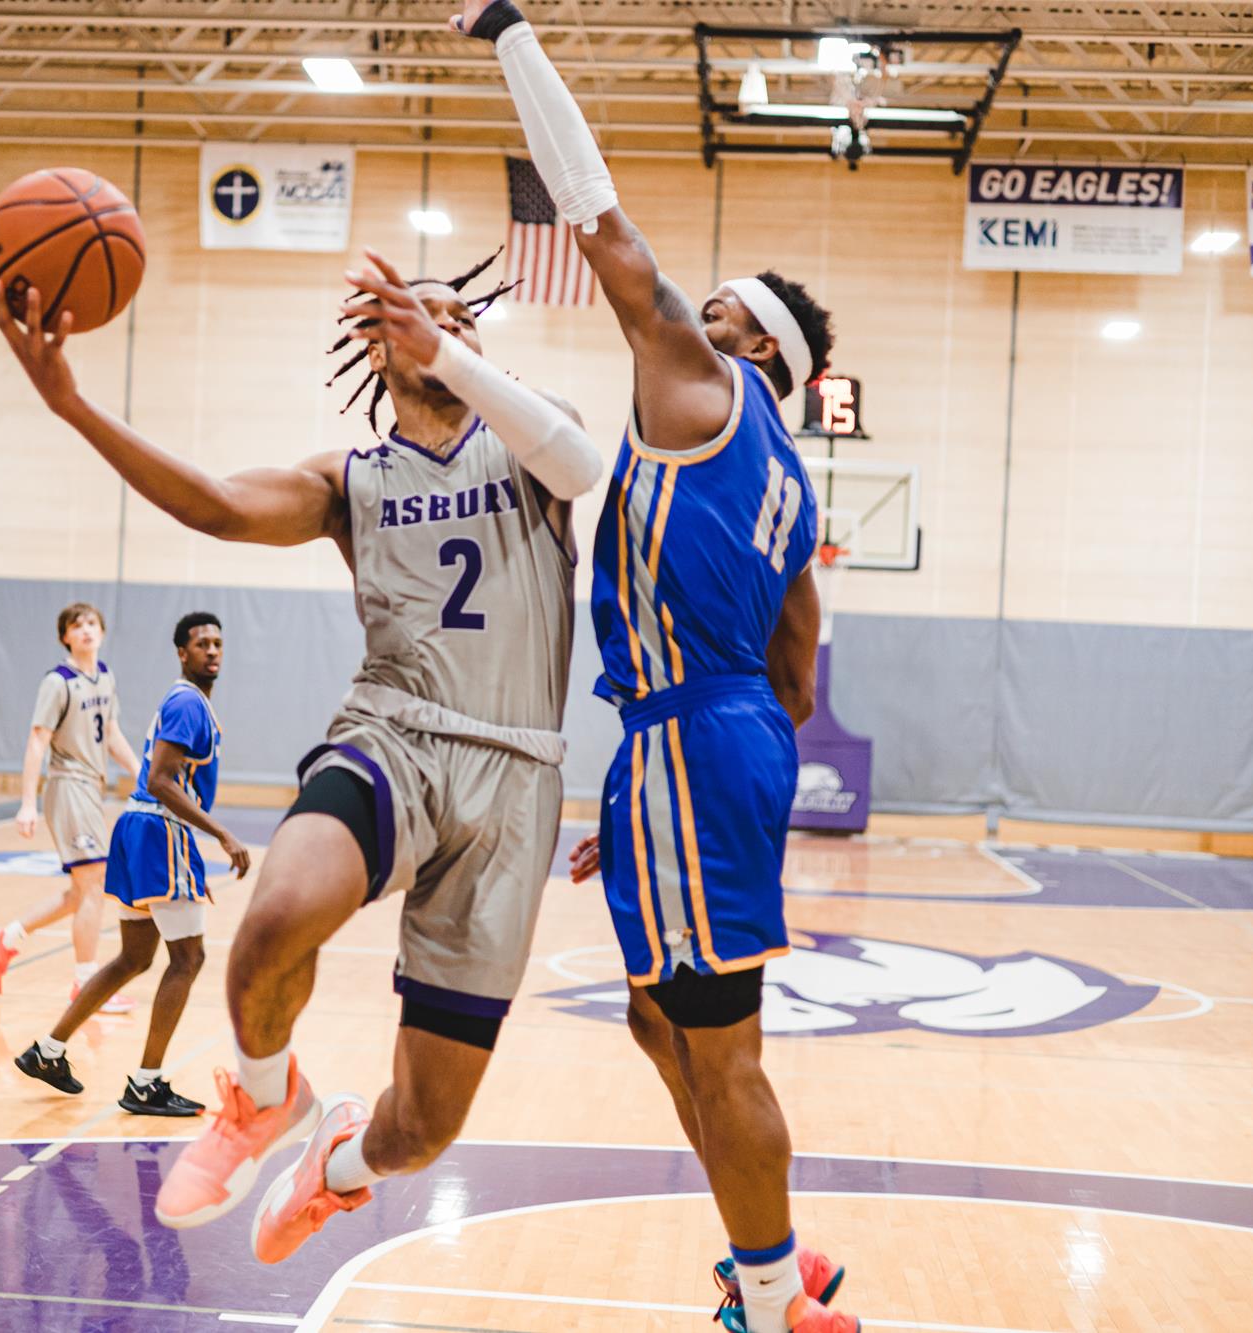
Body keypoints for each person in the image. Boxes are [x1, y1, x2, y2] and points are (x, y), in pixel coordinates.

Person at [0, 226, 600, 1262]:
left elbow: (579, 462)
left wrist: (445, 348)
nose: (444, 327)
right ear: (375, 346)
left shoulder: (535, 440)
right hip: (392, 736)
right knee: (272, 920)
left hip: (515, 779)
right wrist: (72, 405)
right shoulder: (350, 479)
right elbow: (221, 507)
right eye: (419, 315)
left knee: (424, 1126)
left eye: (461, 319)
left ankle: (339, 1166)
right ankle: (268, 1096)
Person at [464, 5, 850, 1328]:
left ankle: (776, 1290)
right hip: (705, 742)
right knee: (653, 1017)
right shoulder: (790, 491)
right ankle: (766, 1249)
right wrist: (670, 789)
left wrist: (512, 41)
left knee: (719, 1047)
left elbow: (600, 223)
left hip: (689, 737)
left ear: (756, 349)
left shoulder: (704, 384)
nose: (695, 307)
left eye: (722, 306)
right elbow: (799, 680)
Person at [15, 612, 238, 1119]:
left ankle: (48, 1050)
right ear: (181, 652)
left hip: (140, 829)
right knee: (188, 959)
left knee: (134, 958)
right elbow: (160, 780)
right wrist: (221, 833)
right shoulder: (187, 702)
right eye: (201, 644)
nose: (212, 651)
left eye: (217, 643)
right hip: (159, 830)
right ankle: (146, 1083)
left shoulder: (188, 701)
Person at [0, 604, 142, 1012]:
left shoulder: (105, 677)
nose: (86, 630)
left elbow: (112, 734)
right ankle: (86, 984)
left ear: (102, 631)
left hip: (91, 789)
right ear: (65, 637)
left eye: (92, 623)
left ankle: (6, 938)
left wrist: (142, 773)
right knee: (95, 883)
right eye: (76, 625)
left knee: (83, 890)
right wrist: (27, 803)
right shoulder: (58, 682)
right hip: (67, 785)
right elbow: (37, 741)